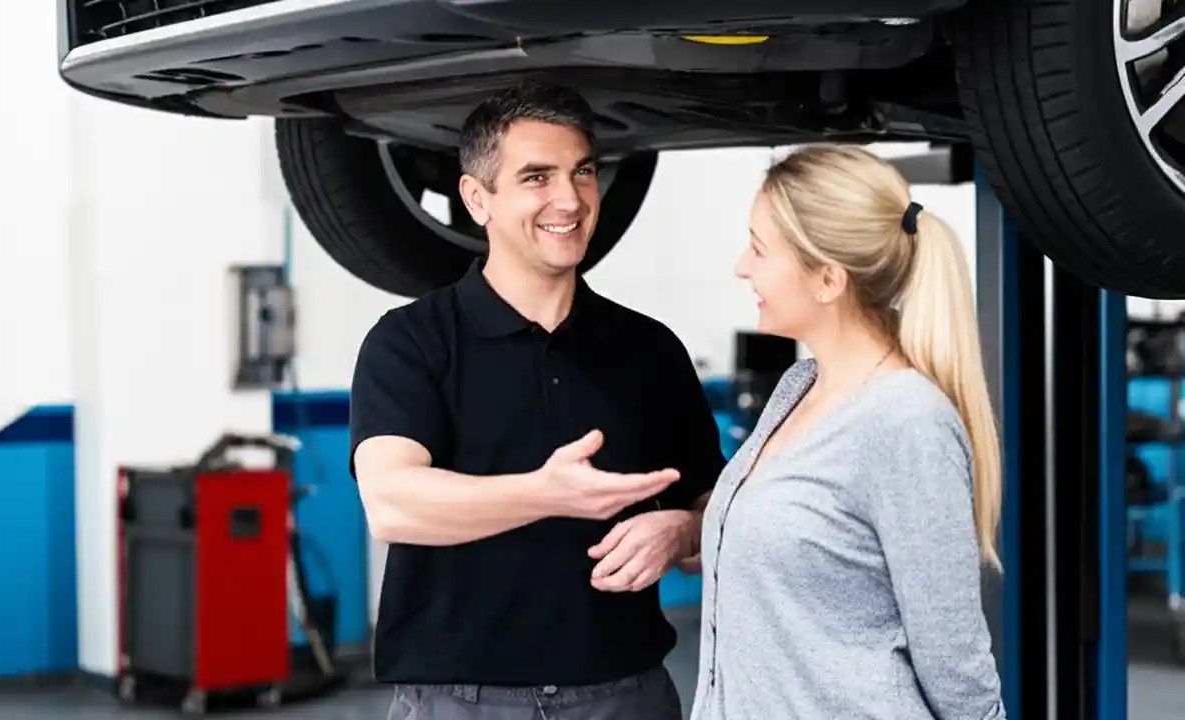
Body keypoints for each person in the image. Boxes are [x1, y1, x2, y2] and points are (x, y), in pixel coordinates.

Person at [350, 80, 725, 720]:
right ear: (476, 198)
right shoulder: (411, 342)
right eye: (536, 177)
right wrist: (549, 493)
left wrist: (686, 530)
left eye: (582, 172)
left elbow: (714, 505)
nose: (570, 198)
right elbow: (393, 504)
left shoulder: (649, 348)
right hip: (460, 703)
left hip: (626, 697)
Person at [690, 145, 1007, 719]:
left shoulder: (906, 419)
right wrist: (691, 528)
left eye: (760, 248)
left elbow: (955, 661)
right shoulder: (798, 386)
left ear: (829, 280)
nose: (742, 266)